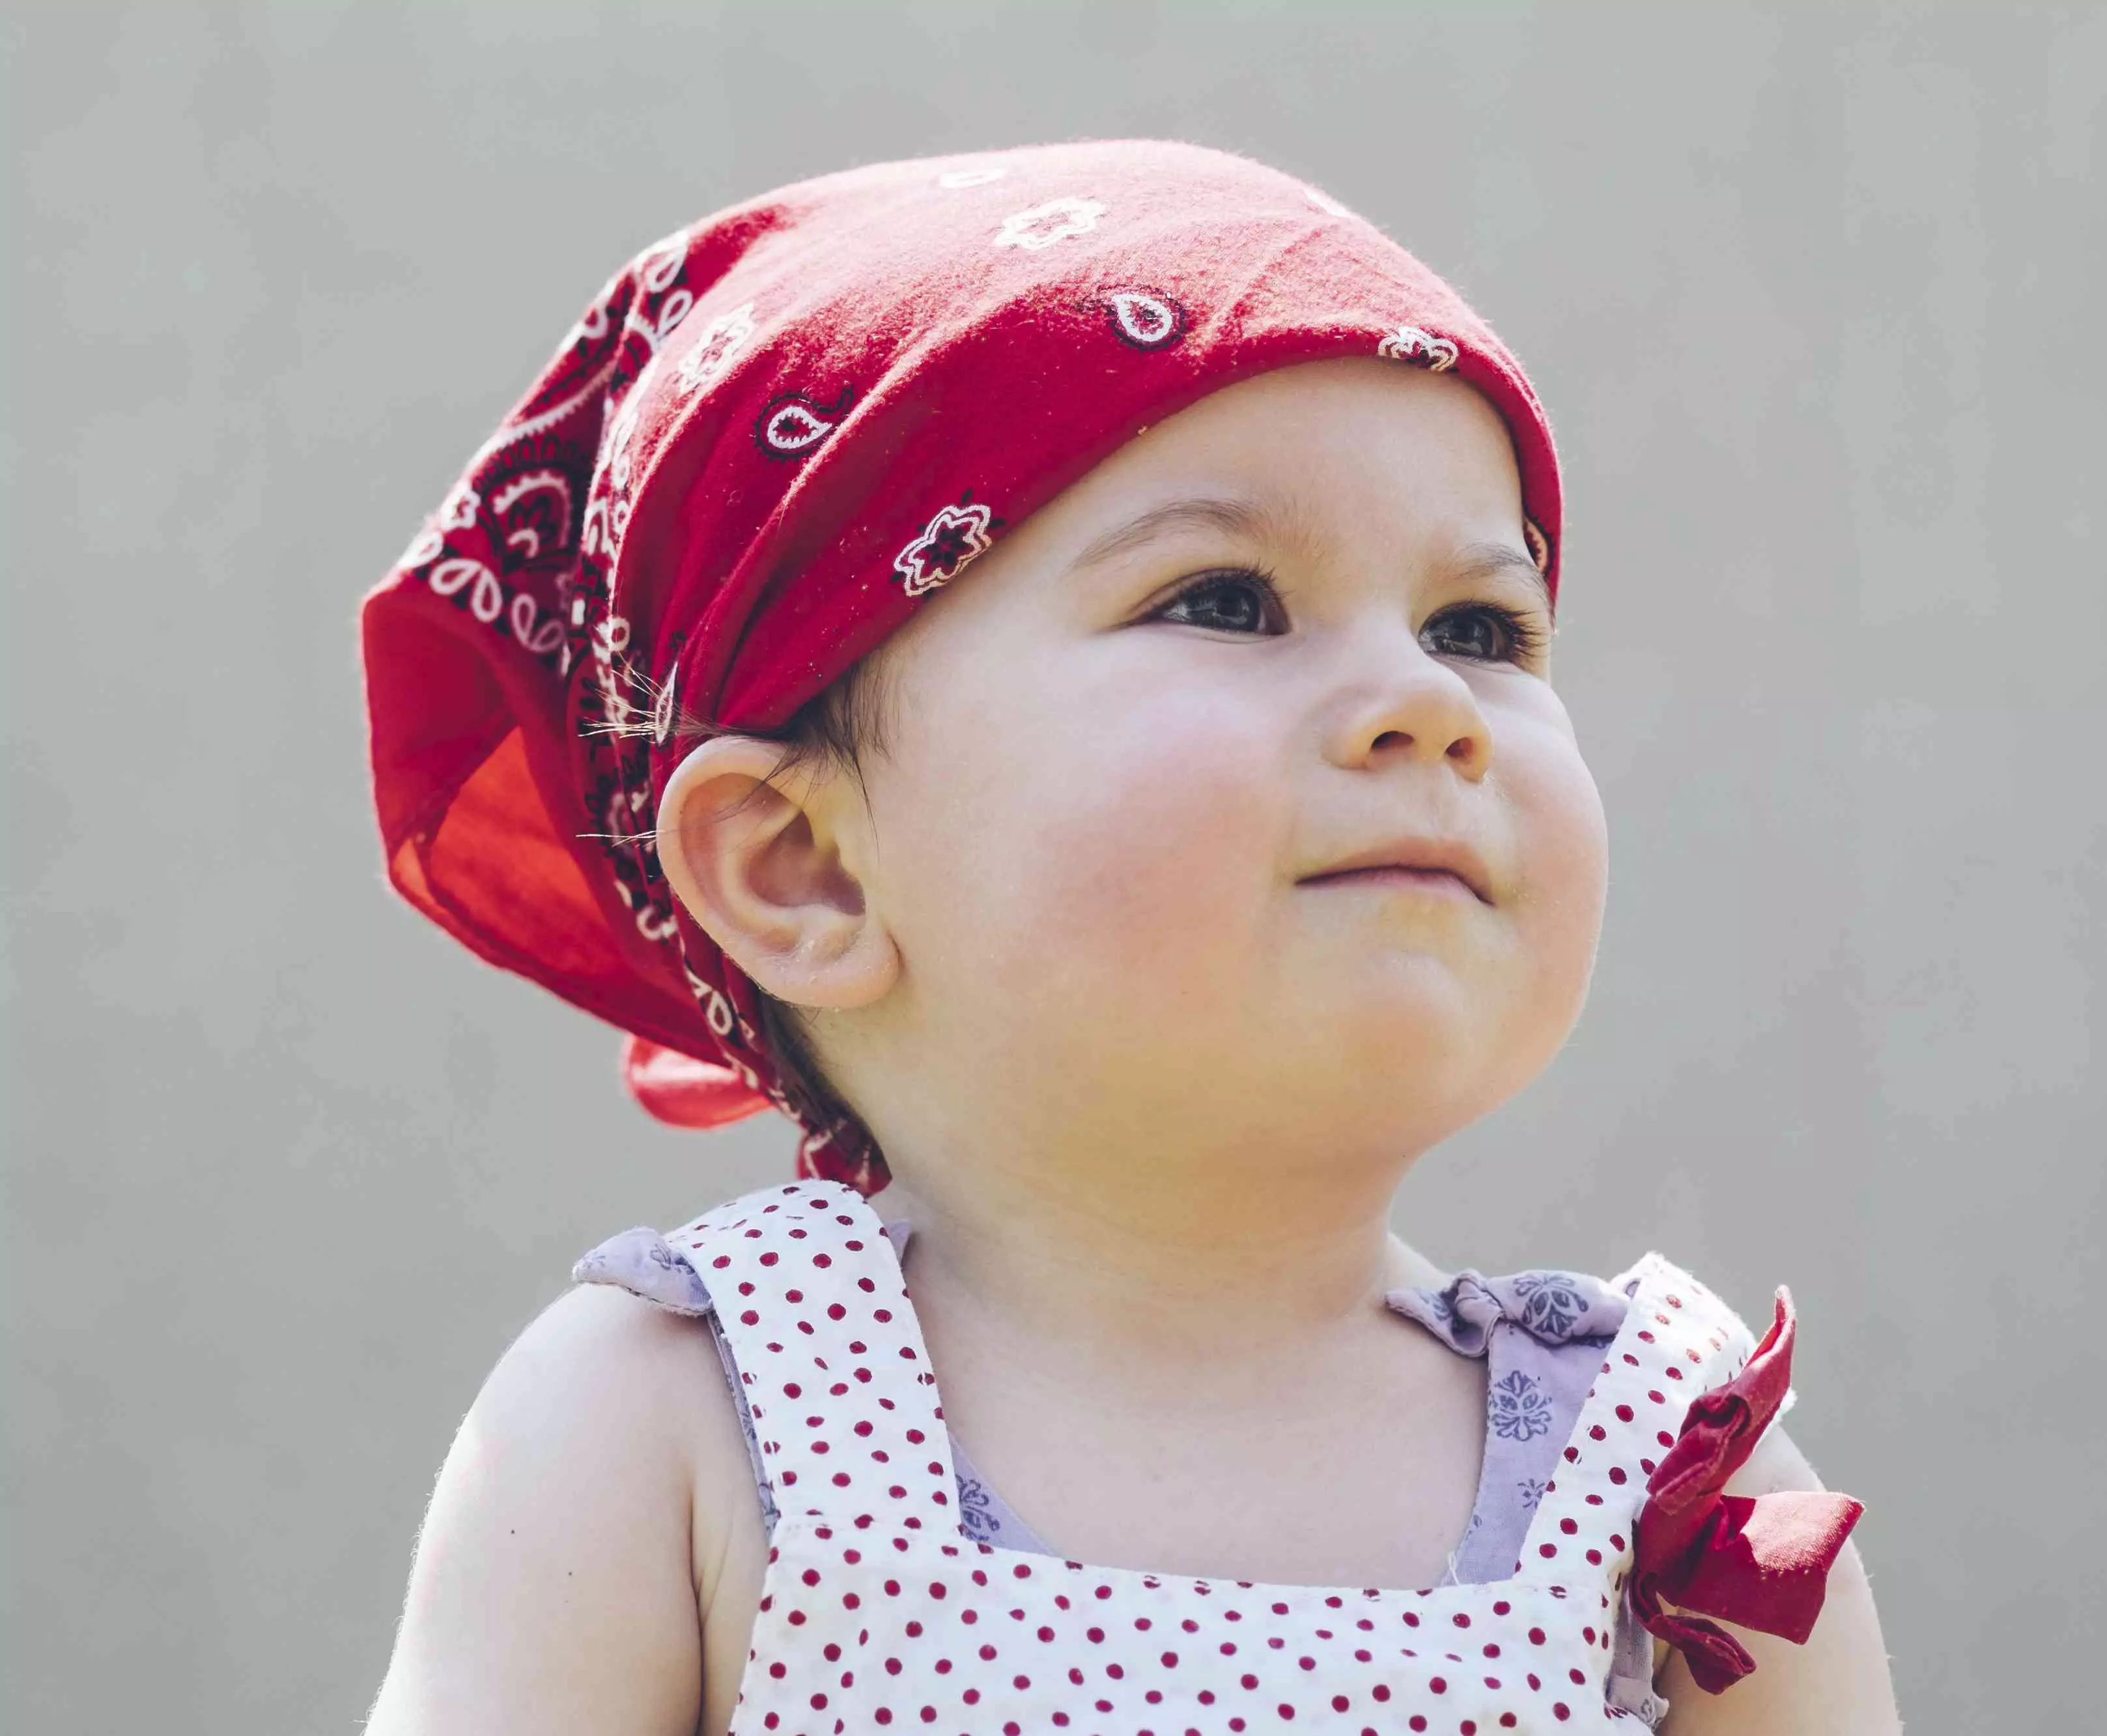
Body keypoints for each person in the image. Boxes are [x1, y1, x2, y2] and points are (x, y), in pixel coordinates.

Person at [356, 139, 1899, 1736]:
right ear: (803, 863)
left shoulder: (1656, 1466)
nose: (1428, 706)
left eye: (1479, 628)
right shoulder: (689, 1426)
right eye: (1227, 599)